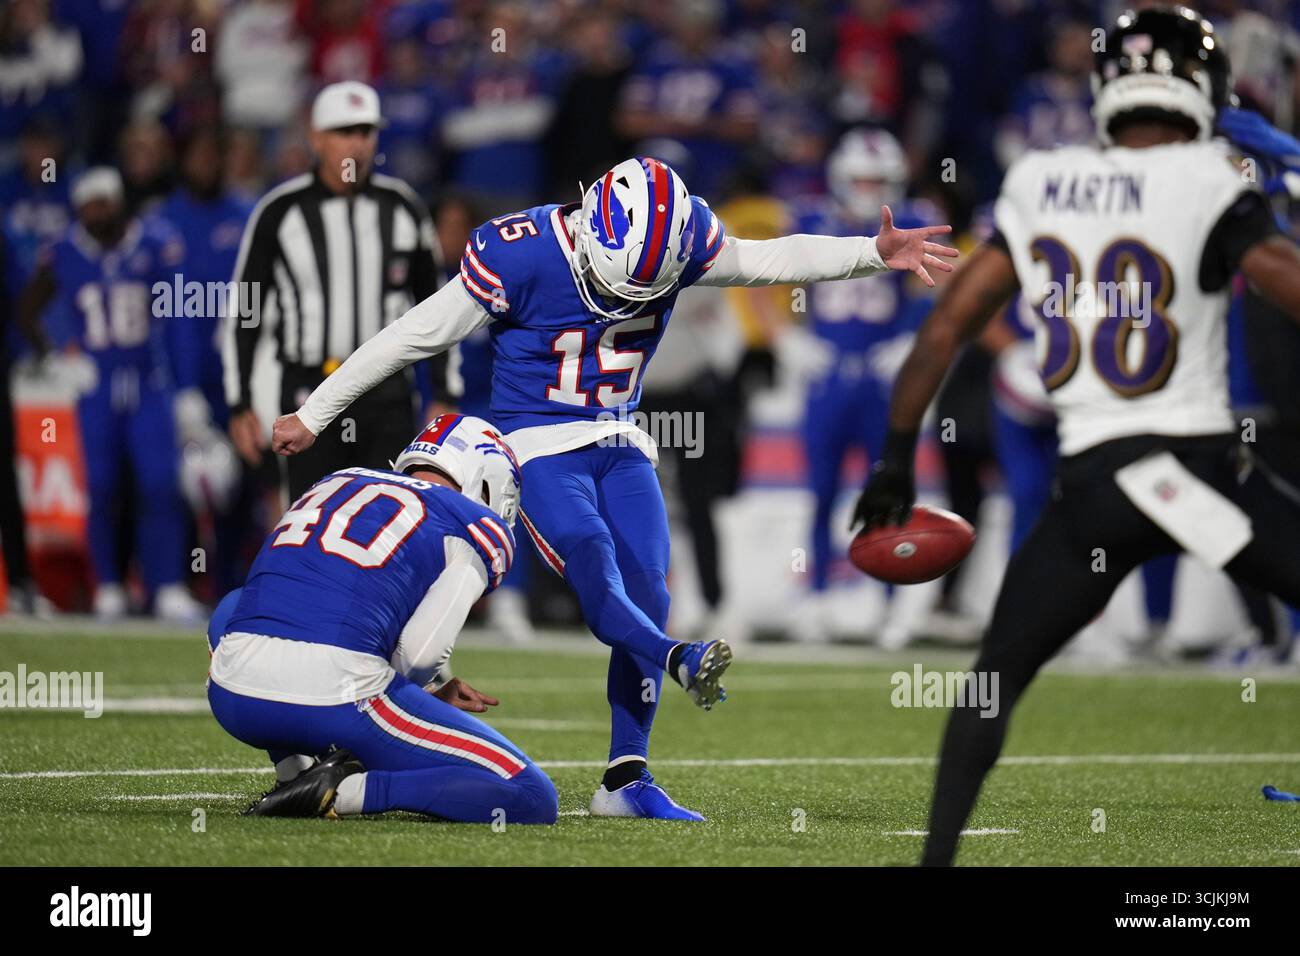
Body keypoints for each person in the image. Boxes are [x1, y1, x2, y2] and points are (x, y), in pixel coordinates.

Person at [270, 153, 958, 819]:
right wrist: (315, 411)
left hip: (618, 434)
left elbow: (768, 260)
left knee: (651, 589)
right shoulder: (521, 250)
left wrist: (873, 250)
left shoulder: (682, 236)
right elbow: (412, 335)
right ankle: (679, 659)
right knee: (594, 558)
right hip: (534, 440)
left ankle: (625, 777)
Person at [850, 7, 1300, 866]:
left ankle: (935, 860)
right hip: (1192, 467)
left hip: (1090, 485)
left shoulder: (1041, 179)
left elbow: (945, 330)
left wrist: (894, 463)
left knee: (992, 678)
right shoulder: (1211, 176)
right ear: (1199, 87)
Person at [207, 414, 558, 824]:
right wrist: (414, 699)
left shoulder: (336, 479)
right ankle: (344, 791)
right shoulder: (471, 521)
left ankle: (294, 773)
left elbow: (245, 605)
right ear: (488, 484)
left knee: (239, 607)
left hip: (233, 694)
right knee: (532, 795)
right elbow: (420, 655)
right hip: (336, 695)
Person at [221, 80, 453, 502]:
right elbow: (246, 309)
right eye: (345, 132)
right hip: (308, 393)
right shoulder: (280, 211)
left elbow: (438, 305)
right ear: (316, 138)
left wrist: (442, 393)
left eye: (366, 131)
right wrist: (240, 403)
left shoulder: (403, 207)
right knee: (312, 520)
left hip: (387, 394)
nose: (358, 144)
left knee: (388, 521)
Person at [17, 167, 202, 621]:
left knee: (160, 485)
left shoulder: (155, 242)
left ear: (118, 202)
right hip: (95, 383)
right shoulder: (64, 251)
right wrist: (58, 355)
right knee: (100, 488)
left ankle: (168, 584)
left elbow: (180, 317)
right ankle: (109, 585)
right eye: (88, 207)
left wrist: (186, 387)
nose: (96, 215)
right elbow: (26, 312)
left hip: (147, 379)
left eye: (103, 204)